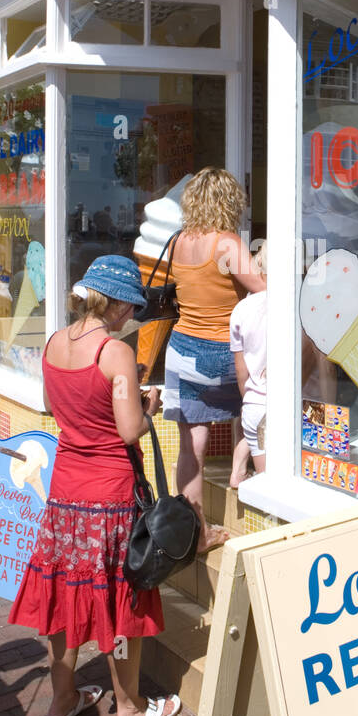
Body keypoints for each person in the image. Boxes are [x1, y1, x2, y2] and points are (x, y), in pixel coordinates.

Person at [9, 256, 180, 716]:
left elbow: (51, 404)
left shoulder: (54, 343)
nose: (132, 316)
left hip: (65, 492)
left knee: (66, 595)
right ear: (119, 303)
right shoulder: (114, 352)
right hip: (109, 495)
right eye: (132, 307)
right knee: (121, 598)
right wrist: (146, 407)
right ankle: (128, 708)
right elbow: (128, 430)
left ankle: (62, 700)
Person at [162, 169, 265, 552]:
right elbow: (265, 291)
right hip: (221, 351)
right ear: (228, 202)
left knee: (192, 449)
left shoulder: (177, 242)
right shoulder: (225, 243)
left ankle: (197, 534)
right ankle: (245, 479)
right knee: (258, 409)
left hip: (182, 351)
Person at [229, 241, 268, 483]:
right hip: (281, 410)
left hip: (255, 405)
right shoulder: (298, 308)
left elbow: (240, 370)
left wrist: (248, 399)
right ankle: (239, 470)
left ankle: (238, 471)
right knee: (272, 489)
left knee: (268, 485)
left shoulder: (241, 309)